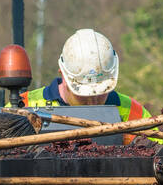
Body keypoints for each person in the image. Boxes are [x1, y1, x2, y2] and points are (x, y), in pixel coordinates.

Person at [20, 29, 152, 139]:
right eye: (83, 94)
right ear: (63, 75)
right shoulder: (24, 107)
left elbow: (160, 158)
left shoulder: (134, 114)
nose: (92, 102)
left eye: (101, 92)